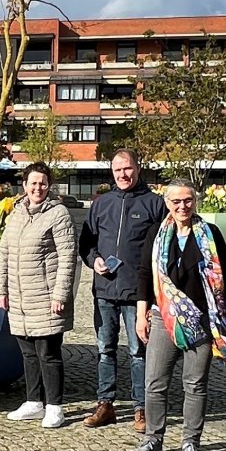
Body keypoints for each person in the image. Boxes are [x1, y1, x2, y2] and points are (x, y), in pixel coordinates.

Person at [132, 181, 226, 451]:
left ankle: (191, 442)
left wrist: (221, 320)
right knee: (155, 381)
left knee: (195, 384)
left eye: (187, 201)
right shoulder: (156, 233)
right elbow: (144, 275)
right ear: (167, 203)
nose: (182, 206)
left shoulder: (210, 234)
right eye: (176, 201)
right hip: (162, 317)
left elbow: (223, 280)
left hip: (201, 320)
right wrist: (141, 315)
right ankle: (153, 437)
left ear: (195, 201)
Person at [78, 148, 167, 432]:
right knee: (105, 350)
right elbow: (86, 244)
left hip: (137, 294)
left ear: (137, 168)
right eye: (117, 170)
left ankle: (142, 408)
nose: (123, 174)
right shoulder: (101, 204)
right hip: (104, 290)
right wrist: (95, 261)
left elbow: (163, 248)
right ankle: (106, 404)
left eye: (127, 169)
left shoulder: (155, 204)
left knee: (139, 352)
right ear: (111, 172)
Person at [0, 162, 78, 428]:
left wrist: (60, 294)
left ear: (49, 185)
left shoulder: (58, 214)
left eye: (42, 183)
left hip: (46, 295)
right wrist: (1, 289)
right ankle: (33, 402)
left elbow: (68, 257)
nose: (38, 187)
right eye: (33, 183)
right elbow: (4, 253)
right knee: (28, 353)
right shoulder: (16, 214)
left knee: (48, 353)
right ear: (25, 185)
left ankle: (55, 406)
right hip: (20, 297)